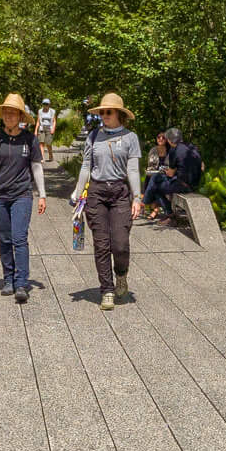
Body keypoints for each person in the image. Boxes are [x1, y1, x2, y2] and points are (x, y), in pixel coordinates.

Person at [0, 93, 49, 301]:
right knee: (4, 239)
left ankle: (21, 283)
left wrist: (42, 194)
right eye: (6, 113)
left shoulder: (29, 140)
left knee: (19, 238)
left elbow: (36, 167)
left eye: (13, 113)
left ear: (21, 116)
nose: (9, 116)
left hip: (22, 194)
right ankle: (8, 280)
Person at [71, 93, 141, 309]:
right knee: (101, 245)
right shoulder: (93, 137)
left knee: (120, 244)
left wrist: (137, 197)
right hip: (97, 193)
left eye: (108, 112)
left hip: (120, 192)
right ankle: (107, 290)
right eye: (102, 112)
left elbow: (132, 169)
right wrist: (77, 192)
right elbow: (86, 166)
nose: (104, 115)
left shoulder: (131, 138)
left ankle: (121, 274)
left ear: (119, 114)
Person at [137, 127, 202, 222]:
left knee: (155, 186)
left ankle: (167, 213)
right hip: (194, 184)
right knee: (155, 179)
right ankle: (145, 202)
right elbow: (201, 165)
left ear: (169, 140)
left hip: (183, 186)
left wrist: (166, 171)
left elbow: (170, 174)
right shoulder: (192, 147)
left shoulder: (174, 150)